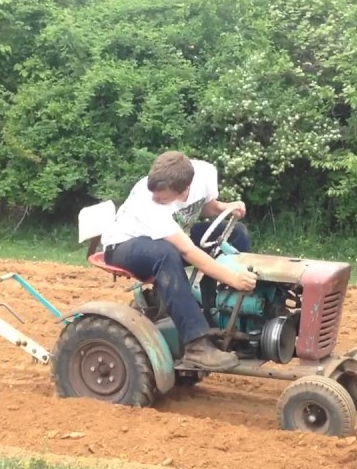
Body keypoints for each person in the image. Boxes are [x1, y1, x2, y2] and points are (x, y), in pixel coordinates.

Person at [98, 151, 257, 371]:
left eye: (162, 198)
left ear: (183, 190)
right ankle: (196, 346)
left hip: (172, 235)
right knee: (166, 254)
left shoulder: (205, 173)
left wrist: (223, 207)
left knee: (236, 233)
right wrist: (234, 278)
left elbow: (203, 205)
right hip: (123, 245)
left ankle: (226, 319)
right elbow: (187, 250)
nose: (156, 198)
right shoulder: (148, 202)